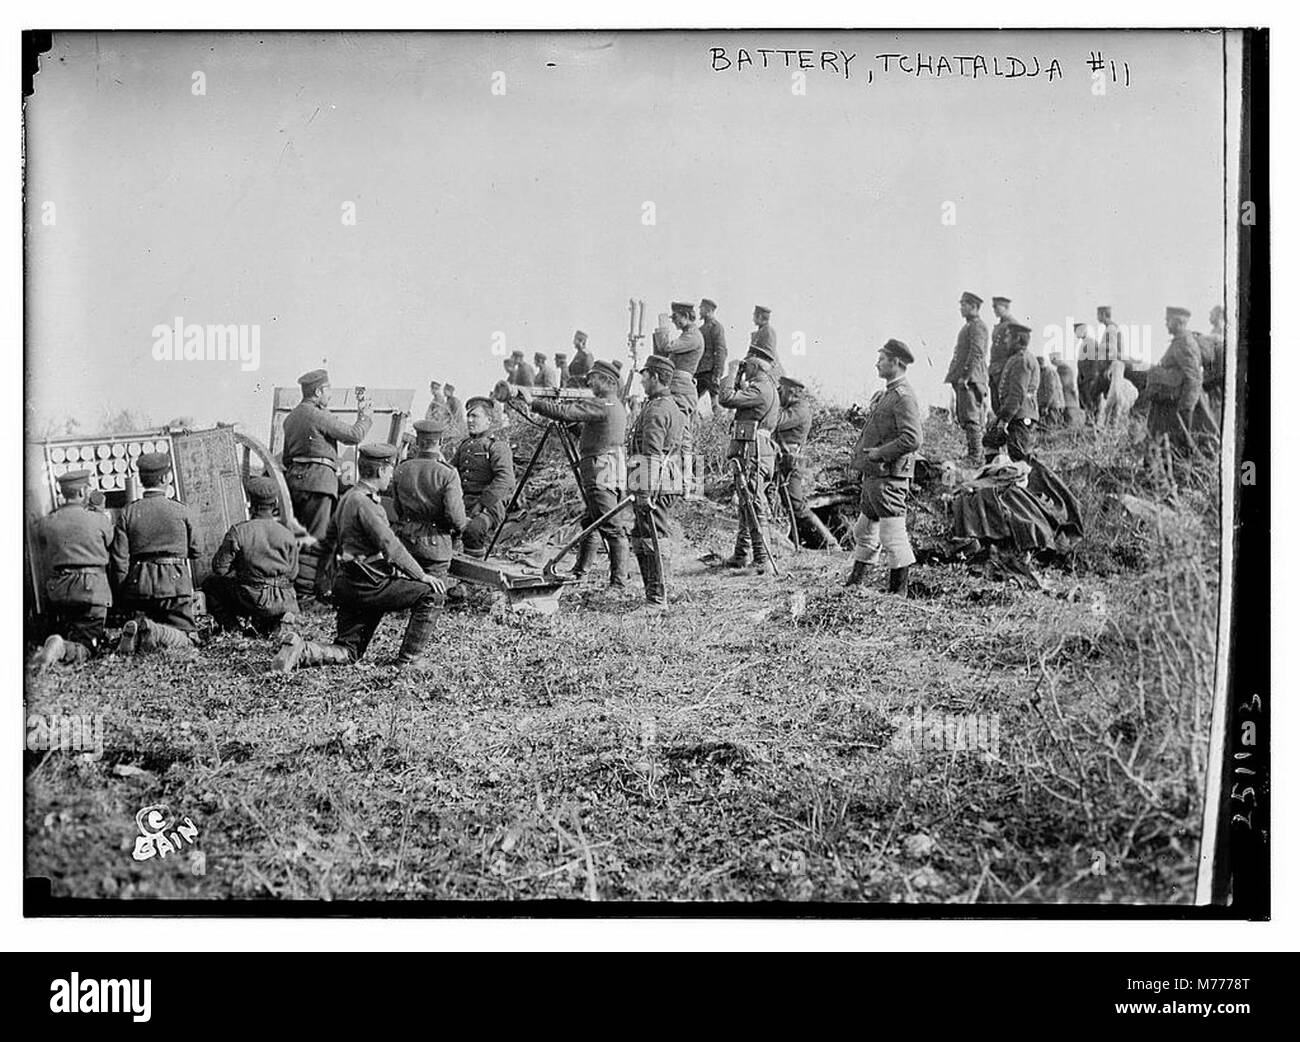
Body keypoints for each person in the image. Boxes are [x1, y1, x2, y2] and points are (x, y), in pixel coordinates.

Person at [271, 444, 444, 673]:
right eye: (390, 471)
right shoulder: (365, 504)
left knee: (349, 651)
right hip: (369, 585)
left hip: (347, 583)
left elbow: (329, 542)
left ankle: (302, 650)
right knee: (431, 593)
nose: (391, 476)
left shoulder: (348, 497)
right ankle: (410, 660)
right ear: (382, 471)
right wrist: (421, 575)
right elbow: (391, 546)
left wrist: (323, 582)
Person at [521, 359, 630, 587]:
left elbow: (568, 411)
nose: (590, 381)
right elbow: (588, 433)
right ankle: (581, 570)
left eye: (595, 378)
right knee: (591, 521)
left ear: (608, 382)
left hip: (600, 468)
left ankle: (619, 582)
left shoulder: (604, 404)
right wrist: (567, 422)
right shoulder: (612, 405)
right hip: (609, 466)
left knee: (611, 527)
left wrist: (534, 403)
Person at [844, 339, 923, 595]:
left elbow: (913, 438)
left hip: (889, 476)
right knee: (864, 530)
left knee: (892, 536)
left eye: (882, 358)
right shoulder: (888, 394)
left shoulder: (903, 396)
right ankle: (855, 584)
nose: (877, 363)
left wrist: (880, 453)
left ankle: (898, 594)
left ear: (896, 362)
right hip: (875, 475)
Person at [111, 452, 202, 655]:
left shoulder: (128, 512)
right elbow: (197, 550)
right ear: (164, 478)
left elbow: (119, 561)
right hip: (175, 584)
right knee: (188, 639)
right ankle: (155, 630)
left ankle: (141, 631)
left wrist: (123, 593)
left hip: (139, 586)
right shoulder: (181, 510)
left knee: (144, 622)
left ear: (142, 480)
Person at [30, 469, 115, 668]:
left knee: (71, 627)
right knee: (89, 645)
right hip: (91, 590)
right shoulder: (99, 520)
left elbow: (38, 536)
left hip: (59, 591)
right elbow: (110, 541)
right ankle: (62, 648)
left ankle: (57, 642)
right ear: (83, 492)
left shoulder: (48, 522)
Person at [282, 369, 373, 544]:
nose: (330, 395)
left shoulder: (290, 418)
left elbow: (286, 459)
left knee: (299, 537)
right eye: (328, 390)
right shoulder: (319, 415)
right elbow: (354, 435)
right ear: (318, 392)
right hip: (319, 483)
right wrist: (365, 417)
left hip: (295, 483)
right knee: (317, 539)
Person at [201, 475, 300, 636]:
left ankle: (233, 628)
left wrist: (240, 572)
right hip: (284, 599)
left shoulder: (239, 531)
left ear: (250, 504)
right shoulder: (287, 534)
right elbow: (293, 573)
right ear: (274, 504)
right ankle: (273, 623)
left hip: (253, 599)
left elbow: (219, 569)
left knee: (210, 583)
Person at [391, 416, 466, 623]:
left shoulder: (402, 468)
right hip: (436, 544)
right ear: (440, 442)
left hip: (405, 540)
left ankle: (401, 619)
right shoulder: (448, 473)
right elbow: (455, 516)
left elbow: (397, 508)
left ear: (417, 441)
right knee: (434, 595)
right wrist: (459, 531)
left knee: (407, 585)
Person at [718, 340, 781, 573]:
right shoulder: (767, 387)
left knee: (753, 502)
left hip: (752, 451)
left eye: (747, 365)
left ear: (755, 365)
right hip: (756, 449)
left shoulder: (759, 389)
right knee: (747, 501)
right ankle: (741, 554)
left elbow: (725, 399)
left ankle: (762, 559)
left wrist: (732, 370)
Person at [627, 356, 684, 606]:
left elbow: (651, 454)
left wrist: (644, 492)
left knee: (654, 537)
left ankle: (657, 600)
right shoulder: (662, 405)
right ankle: (652, 594)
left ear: (656, 377)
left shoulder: (659, 409)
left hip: (656, 483)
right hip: (656, 480)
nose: (642, 381)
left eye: (645, 376)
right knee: (642, 535)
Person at [773, 376, 837, 548]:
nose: (779, 393)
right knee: (788, 504)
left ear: (792, 392)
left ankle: (830, 544)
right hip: (783, 461)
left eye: (781, 390)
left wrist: (769, 402)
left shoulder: (800, 409)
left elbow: (777, 421)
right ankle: (794, 541)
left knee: (796, 505)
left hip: (790, 462)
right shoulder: (793, 407)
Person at [451, 396, 515, 558]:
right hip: (464, 502)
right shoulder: (464, 445)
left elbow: (505, 479)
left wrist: (482, 504)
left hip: (489, 506)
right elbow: (452, 473)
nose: (470, 420)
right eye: (469, 416)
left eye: (475, 416)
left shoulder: (496, 446)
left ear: (488, 420)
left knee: (473, 530)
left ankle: (473, 577)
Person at [1144, 306, 1204, 455]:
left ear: (1178, 322)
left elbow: (1194, 378)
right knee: (1160, 446)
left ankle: (1177, 477)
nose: (1166, 324)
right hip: (1167, 406)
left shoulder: (1185, 342)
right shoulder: (1179, 342)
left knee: (1177, 449)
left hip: (1174, 408)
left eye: (1168, 320)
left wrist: (1185, 409)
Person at [945, 291, 989, 463]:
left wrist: (966, 376)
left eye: (964, 305)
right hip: (966, 379)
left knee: (971, 417)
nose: (961, 308)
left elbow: (977, 352)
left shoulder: (977, 326)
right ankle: (974, 454)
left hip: (971, 379)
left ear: (974, 307)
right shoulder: (969, 326)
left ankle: (975, 456)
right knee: (965, 416)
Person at [987, 322, 1039, 462]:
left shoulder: (1021, 360)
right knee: (991, 441)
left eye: (1008, 337)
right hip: (1017, 415)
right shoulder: (1017, 359)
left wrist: (1004, 419)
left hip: (1020, 415)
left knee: (1020, 457)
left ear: (1017, 339)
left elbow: (1017, 394)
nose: (1005, 341)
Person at [668, 367, 699, 498]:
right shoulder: (690, 389)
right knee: (686, 449)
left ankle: (682, 487)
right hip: (686, 420)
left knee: (679, 446)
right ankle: (685, 487)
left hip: (679, 420)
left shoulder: (679, 389)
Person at [652, 301, 705, 373]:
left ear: (686, 316)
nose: (673, 321)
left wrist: (663, 327)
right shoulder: (687, 334)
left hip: (680, 381)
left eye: (675, 317)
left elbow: (665, 347)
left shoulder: (693, 336)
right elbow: (663, 354)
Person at [987, 295, 1018, 415]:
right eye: (993, 307)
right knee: (997, 405)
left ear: (1006, 307)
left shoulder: (1012, 325)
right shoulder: (1000, 326)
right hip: (995, 370)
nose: (994, 310)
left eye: (996, 307)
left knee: (1005, 404)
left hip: (1004, 370)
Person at [695, 297, 728, 405]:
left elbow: (721, 351)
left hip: (710, 372)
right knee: (693, 400)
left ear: (709, 311)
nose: (700, 311)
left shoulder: (716, 327)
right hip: (700, 371)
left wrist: (717, 374)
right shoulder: (700, 329)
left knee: (715, 403)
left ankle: (721, 421)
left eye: (702, 309)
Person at [1074, 321, 1105, 417]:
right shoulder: (1084, 343)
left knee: (1091, 405)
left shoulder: (1090, 343)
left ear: (1083, 330)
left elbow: (1094, 363)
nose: (1075, 334)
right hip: (1086, 379)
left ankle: (1093, 426)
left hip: (1090, 379)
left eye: (1077, 331)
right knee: (1088, 405)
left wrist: (1090, 379)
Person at [1051, 352, 1086, 428]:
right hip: (1068, 400)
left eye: (1052, 360)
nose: (1052, 362)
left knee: (1069, 423)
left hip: (1068, 400)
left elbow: (1064, 384)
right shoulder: (1062, 368)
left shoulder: (1063, 369)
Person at [750, 305, 782, 379]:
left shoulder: (768, 331)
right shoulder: (760, 332)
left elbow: (768, 354)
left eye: (754, 316)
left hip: (767, 368)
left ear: (760, 316)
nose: (753, 319)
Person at [1036, 354, 1065, 427]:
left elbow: (1050, 391)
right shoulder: (1044, 372)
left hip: (1052, 406)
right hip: (1051, 406)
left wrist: (1046, 405)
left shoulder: (1047, 372)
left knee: (1050, 429)